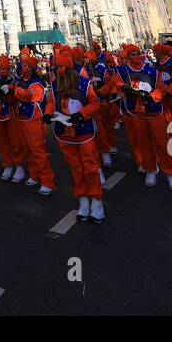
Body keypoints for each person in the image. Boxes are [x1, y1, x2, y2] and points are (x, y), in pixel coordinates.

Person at [50, 48, 104, 222]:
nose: (58, 71)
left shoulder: (84, 83)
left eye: (60, 67)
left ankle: (96, 202)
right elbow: (52, 103)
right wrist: (47, 113)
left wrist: (82, 114)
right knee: (75, 168)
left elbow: (95, 103)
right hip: (64, 133)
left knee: (90, 166)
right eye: (55, 67)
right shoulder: (54, 85)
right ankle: (82, 199)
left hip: (83, 131)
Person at [117, 44, 172, 188]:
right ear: (128, 56)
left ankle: (170, 174)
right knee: (143, 142)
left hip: (153, 110)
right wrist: (124, 88)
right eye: (133, 54)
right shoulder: (122, 70)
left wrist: (152, 96)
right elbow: (116, 83)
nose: (136, 56)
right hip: (136, 112)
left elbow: (161, 87)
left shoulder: (152, 70)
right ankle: (150, 170)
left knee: (162, 143)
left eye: (138, 53)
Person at [13, 53, 55, 195]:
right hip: (23, 118)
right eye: (22, 64)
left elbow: (28, 96)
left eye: (25, 65)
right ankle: (34, 175)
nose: (22, 66)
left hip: (34, 119)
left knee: (38, 150)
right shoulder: (22, 79)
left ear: (31, 67)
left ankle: (47, 181)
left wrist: (16, 91)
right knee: (28, 149)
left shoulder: (37, 83)